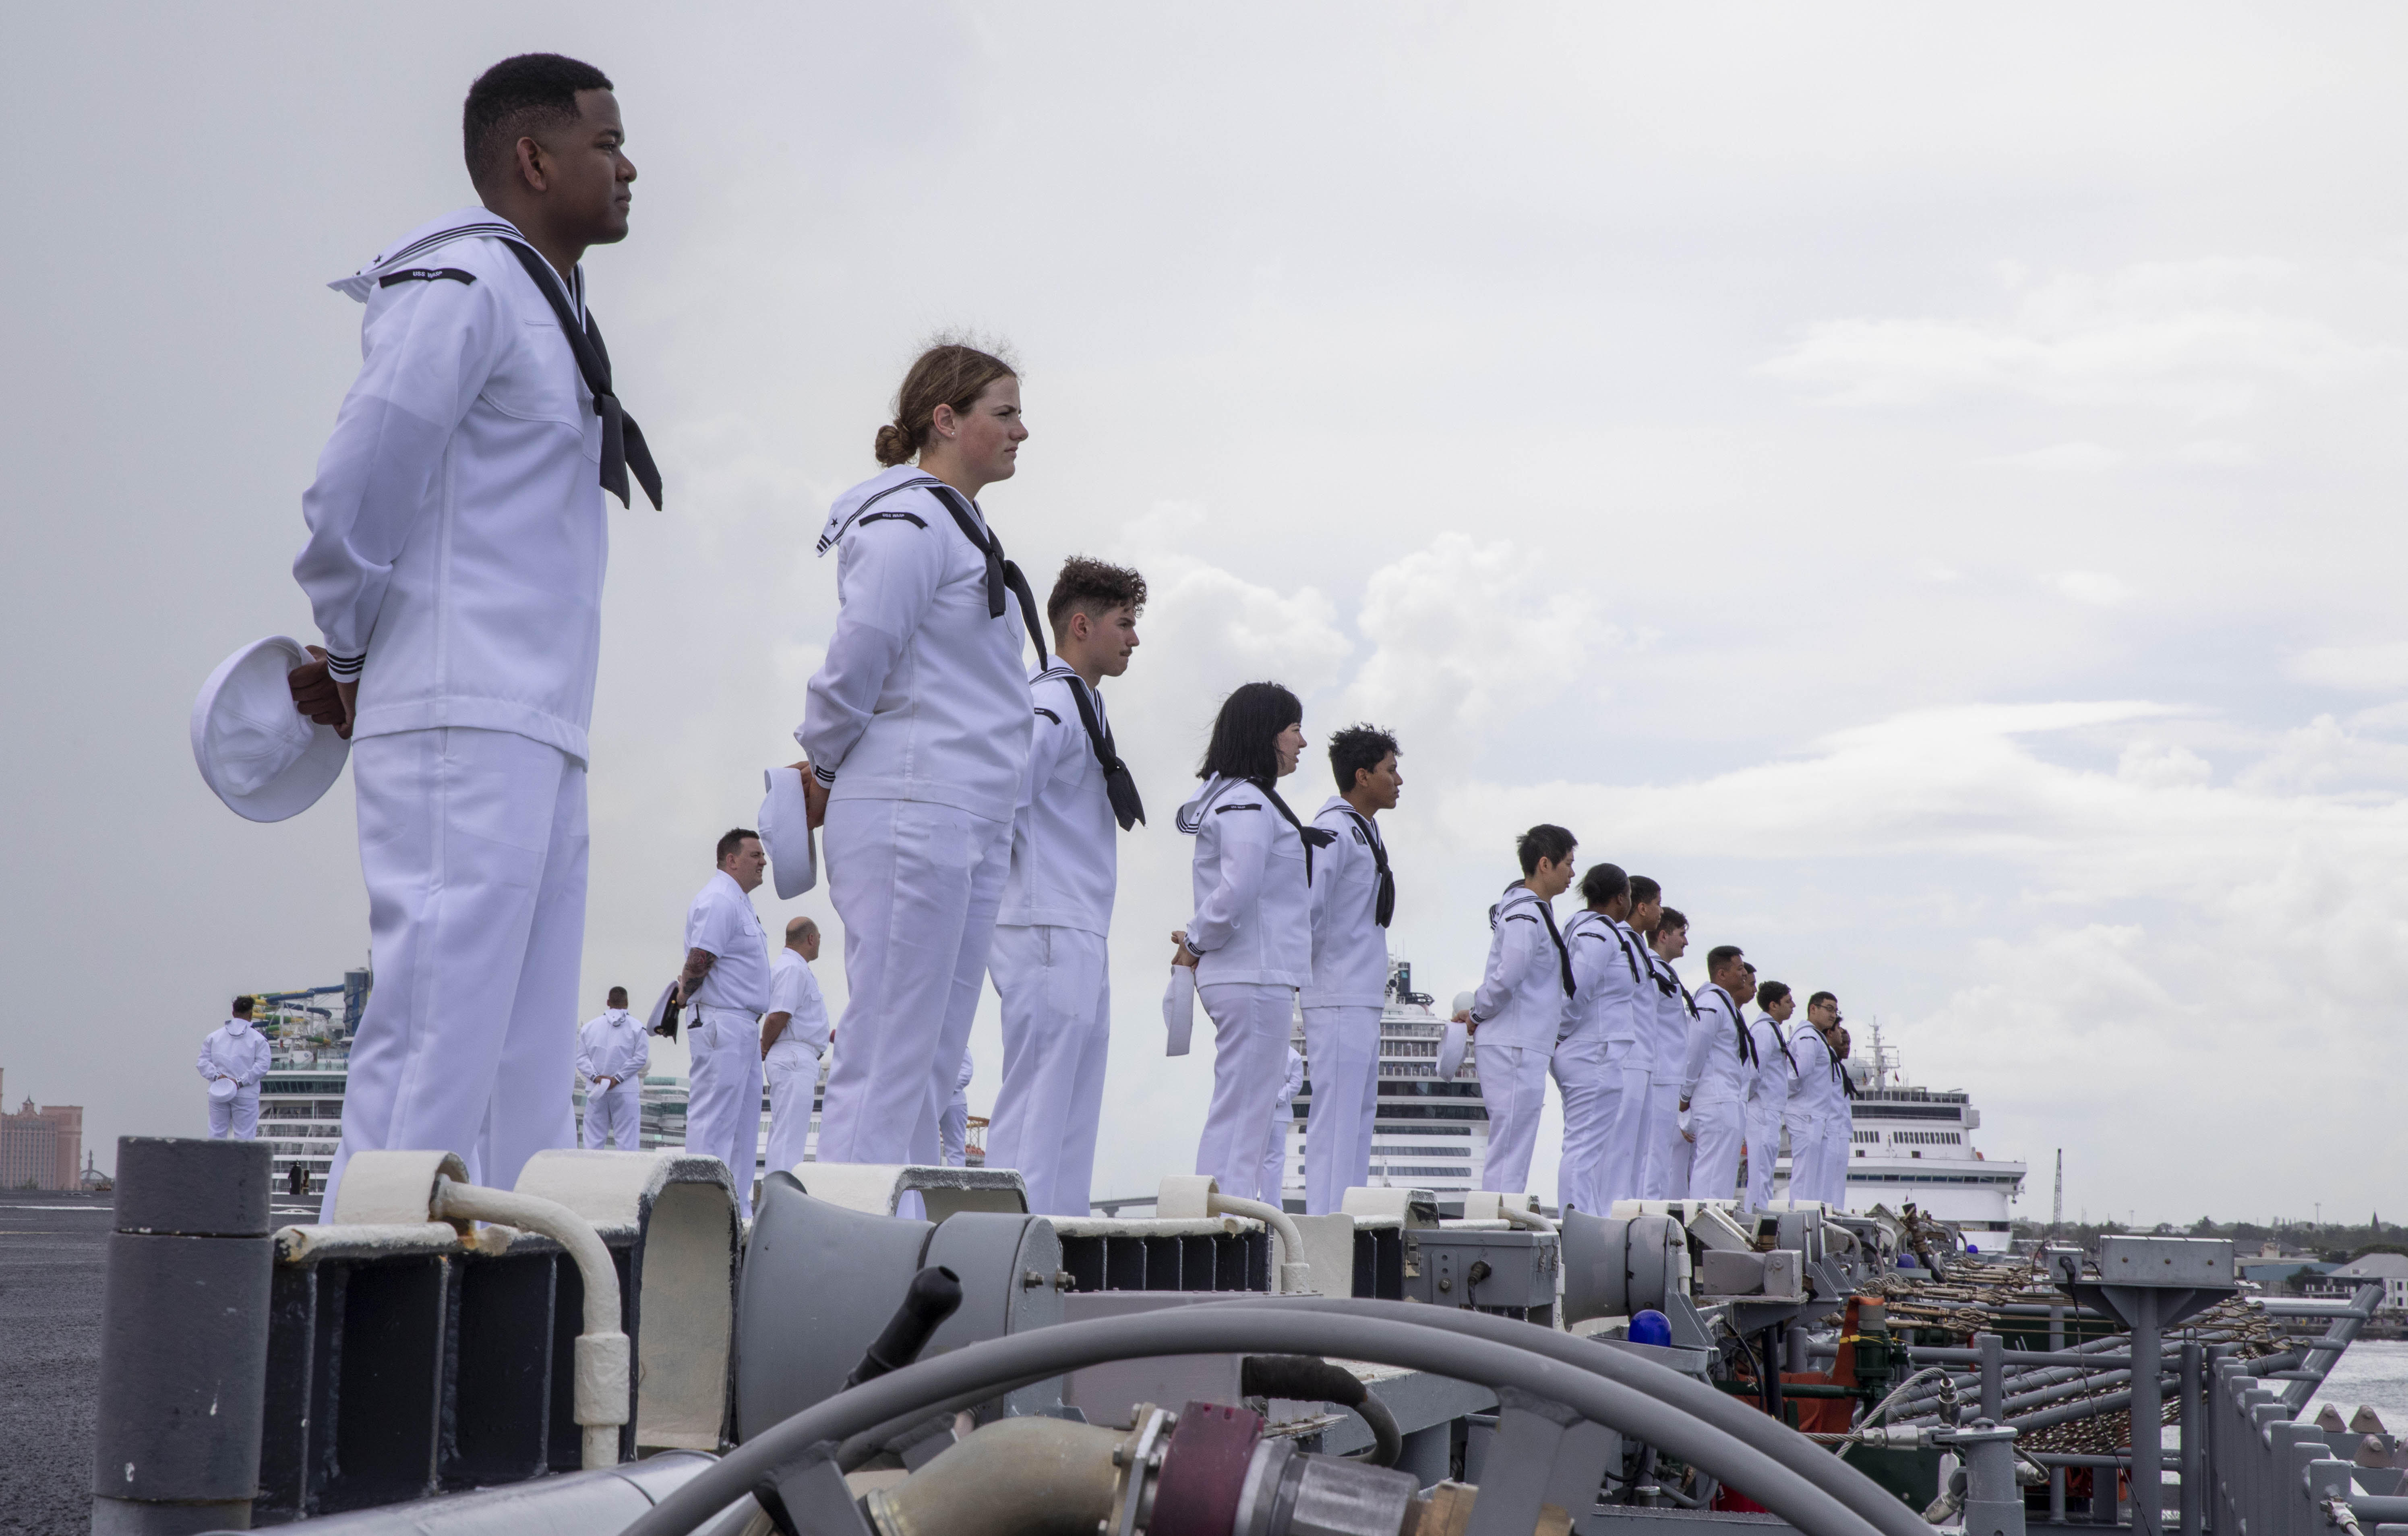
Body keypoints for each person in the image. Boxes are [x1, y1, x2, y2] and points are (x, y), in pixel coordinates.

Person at [286, 54, 660, 1214]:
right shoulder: (463, 281)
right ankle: (370, 1313)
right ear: (533, 159)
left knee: (523, 1084)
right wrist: (354, 652)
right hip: (458, 713)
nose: (629, 166)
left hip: (538, 721)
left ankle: (494, 1313)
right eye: (606, 142)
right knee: (432, 1061)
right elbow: (355, 490)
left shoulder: (551, 304)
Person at [799, 344, 1045, 1183]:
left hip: (964, 809)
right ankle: (841, 1237)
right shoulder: (906, 519)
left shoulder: (955, 523)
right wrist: (822, 764)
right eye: (1004, 413)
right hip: (911, 802)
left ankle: (898, 1236)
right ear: (945, 419)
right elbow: (861, 652)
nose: (1021, 430)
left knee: (933, 1060)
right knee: (888, 1053)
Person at [986, 557, 1148, 1217]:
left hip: (1076, 922)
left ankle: (1057, 1240)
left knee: (1072, 1114)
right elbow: (1003, 798)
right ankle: (1006, 1247)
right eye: (1124, 623)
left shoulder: (1084, 702)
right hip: (1046, 920)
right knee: (1038, 1107)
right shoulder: (1051, 701)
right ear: (1082, 625)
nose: (1134, 638)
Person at [1172, 683, 1329, 1201]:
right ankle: (1224, 1223)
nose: (1302, 742)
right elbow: (1237, 888)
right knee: (1244, 1117)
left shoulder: (1241, 798)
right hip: (1253, 973)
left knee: (1244, 1112)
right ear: (1266, 734)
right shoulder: (1248, 802)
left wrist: (1199, 940)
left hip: (1251, 971)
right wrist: (1195, 943)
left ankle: (1223, 1217)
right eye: (1294, 730)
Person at [1300, 725, 1402, 1215]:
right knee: (1336, 1125)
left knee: (1357, 1122)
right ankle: (1324, 1232)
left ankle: (1344, 1225)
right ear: (1362, 776)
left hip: (1360, 993)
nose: (1398, 780)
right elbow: (1307, 909)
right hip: (1337, 992)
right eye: (1390, 770)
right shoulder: (1333, 831)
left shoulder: (1365, 829)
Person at [1453, 825, 1577, 1197]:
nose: (1573, 873)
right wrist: (1477, 1015)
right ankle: (1499, 1219)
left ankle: (1505, 1214)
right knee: (1510, 1147)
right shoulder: (1526, 914)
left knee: (1515, 1146)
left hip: (1522, 1041)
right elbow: (1509, 975)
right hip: (1513, 1042)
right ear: (1545, 864)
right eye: (1568, 864)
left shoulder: (1533, 912)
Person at [677, 830, 771, 1217]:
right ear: (731, 860)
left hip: (743, 1025)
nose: (763, 861)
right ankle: (700, 1214)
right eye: (754, 855)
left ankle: (735, 1213)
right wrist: (682, 996)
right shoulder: (720, 899)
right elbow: (701, 957)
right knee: (713, 1126)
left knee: (743, 1132)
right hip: (722, 1021)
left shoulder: (740, 901)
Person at [1556, 863, 1641, 1216]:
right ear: (1621, 898)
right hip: (1594, 1050)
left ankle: (1587, 1220)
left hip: (1592, 1049)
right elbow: (1577, 991)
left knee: (1588, 1149)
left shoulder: (1582, 927)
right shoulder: (1599, 933)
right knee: (1583, 1149)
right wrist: (1561, 1034)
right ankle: (1577, 1227)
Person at [1596, 876, 1665, 1207]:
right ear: (1642, 907)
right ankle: (1609, 1213)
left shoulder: (1638, 946)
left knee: (1636, 1151)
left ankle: (1627, 1211)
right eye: (1657, 904)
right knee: (1618, 1147)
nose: (1661, 911)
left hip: (1644, 1059)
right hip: (1626, 1056)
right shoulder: (1619, 940)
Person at [1680, 946, 1756, 1201]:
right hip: (1715, 1100)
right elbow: (1695, 1051)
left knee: (1723, 1178)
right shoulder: (1710, 1003)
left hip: (1729, 1101)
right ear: (1722, 974)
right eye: (1739, 968)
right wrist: (1684, 1097)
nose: (1744, 974)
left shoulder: (1727, 1006)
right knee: (1710, 1176)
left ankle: (1717, 1221)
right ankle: (1704, 1223)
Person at [761, 917, 832, 1176]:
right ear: (811, 939)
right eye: (819, 938)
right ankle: (782, 1192)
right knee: (789, 1138)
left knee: (786, 1134)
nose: (820, 943)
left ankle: (778, 1189)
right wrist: (764, 1047)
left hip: (794, 1056)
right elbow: (778, 1016)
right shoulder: (793, 969)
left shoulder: (794, 967)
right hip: (793, 1057)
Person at [1640, 906, 1698, 1199]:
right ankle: (1646, 1212)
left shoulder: (1663, 971)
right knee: (1652, 1155)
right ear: (1663, 936)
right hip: (1658, 1074)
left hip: (1667, 1075)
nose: (1686, 941)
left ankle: (1652, 1208)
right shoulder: (1650, 970)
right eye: (1682, 934)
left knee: (1659, 1154)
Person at [1743, 981, 1802, 1210]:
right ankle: (1755, 1217)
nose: (1793, 1005)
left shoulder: (1772, 1030)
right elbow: (1754, 1072)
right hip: (1762, 1108)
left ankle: (1761, 1214)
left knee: (1765, 1172)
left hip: (1770, 1108)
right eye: (1788, 1001)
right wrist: (1748, 1100)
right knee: (1760, 1173)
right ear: (1773, 1005)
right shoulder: (1764, 1031)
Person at [1790, 992, 1849, 1206]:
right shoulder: (1808, 1037)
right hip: (1807, 1114)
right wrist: (1785, 1096)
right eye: (1829, 1009)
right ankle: (1800, 1219)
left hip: (1817, 1116)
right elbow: (1799, 1075)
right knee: (1805, 1178)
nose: (1833, 1015)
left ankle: (1810, 1217)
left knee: (1814, 1180)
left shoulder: (1816, 1038)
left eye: (1835, 1010)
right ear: (1813, 1009)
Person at [576, 986, 648, 1149]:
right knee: (627, 1142)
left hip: (596, 1090)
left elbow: (581, 1059)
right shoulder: (637, 1027)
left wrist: (596, 1077)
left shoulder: (589, 1028)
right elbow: (640, 1058)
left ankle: (590, 1167)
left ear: (608, 1002)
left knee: (593, 1141)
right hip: (625, 1090)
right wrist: (617, 1078)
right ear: (627, 1002)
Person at [197, 997, 270, 1141]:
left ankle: (214, 1156)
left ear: (233, 1013)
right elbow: (263, 1066)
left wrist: (218, 1077)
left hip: (218, 1091)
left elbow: (202, 1063)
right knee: (245, 1136)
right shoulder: (259, 1039)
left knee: (216, 1134)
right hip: (246, 1093)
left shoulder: (214, 1037)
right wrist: (239, 1082)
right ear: (251, 1015)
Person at [1261, 1044, 1305, 1207]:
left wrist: (1272, 1100)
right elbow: (1296, 1084)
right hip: (1275, 1112)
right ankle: (1270, 1206)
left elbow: (1296, 1084)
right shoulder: (1294, 1055)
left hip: (1271, 1112)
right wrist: (1277, 1099)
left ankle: (1268, 1205)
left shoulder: (1291, 1055)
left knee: (1269, 1160)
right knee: (1273, 1160)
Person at [939, 1049, 976, 1168]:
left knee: (955, 1150)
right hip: (932, 1100)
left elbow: (966, 1073)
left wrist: (943, 1089)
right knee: (925, 1145)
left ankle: (957, 1181)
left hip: (954, 1102)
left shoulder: (961, 1046)